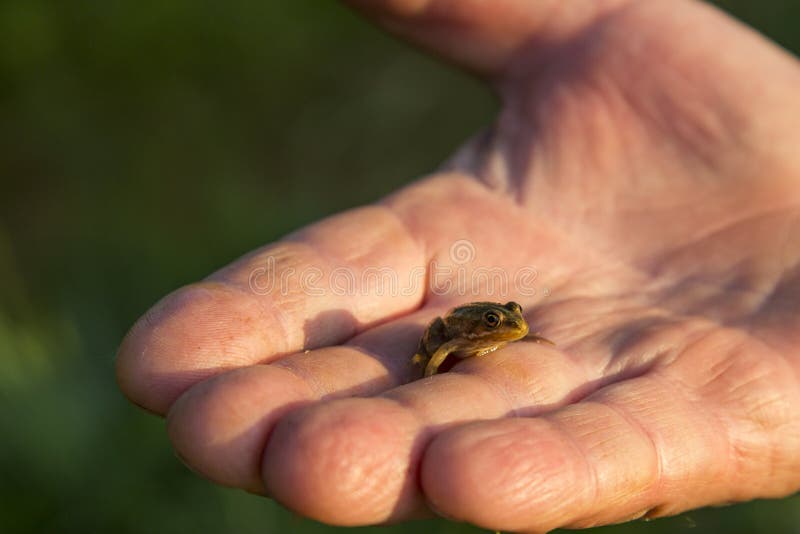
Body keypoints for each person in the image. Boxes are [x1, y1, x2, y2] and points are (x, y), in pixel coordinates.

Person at [116, 1, 800, 531]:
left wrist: (518, 332)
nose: (510, 328)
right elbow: (448, 335)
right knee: (413, 381)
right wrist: (432, 363)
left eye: (513, 324)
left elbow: (505, 324)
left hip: (484, 329)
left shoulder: (503, 330)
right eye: (507, 324)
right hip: (453, 331)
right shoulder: (467, 331)